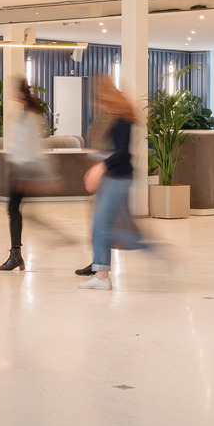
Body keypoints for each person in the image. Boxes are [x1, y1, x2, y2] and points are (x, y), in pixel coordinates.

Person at [78, 74, 148, 290]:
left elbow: (122, 152)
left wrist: (100, 168)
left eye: (98, 95)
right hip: (114, 176)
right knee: (105, 224)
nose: (95, 100)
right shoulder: (116, 115)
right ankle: (101, 273)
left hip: (118, 177)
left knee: (104, 224)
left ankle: (103, 276)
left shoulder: (122, 118)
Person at [0, 78, 59, 272]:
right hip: (20, 169)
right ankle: (16, 255)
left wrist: (31, 175)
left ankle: (16, 255)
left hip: (24, 170)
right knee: (15, 210)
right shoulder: (26, 114)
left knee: (14, 210)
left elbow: (32, 148)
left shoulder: (30, 117)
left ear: (20, 94)